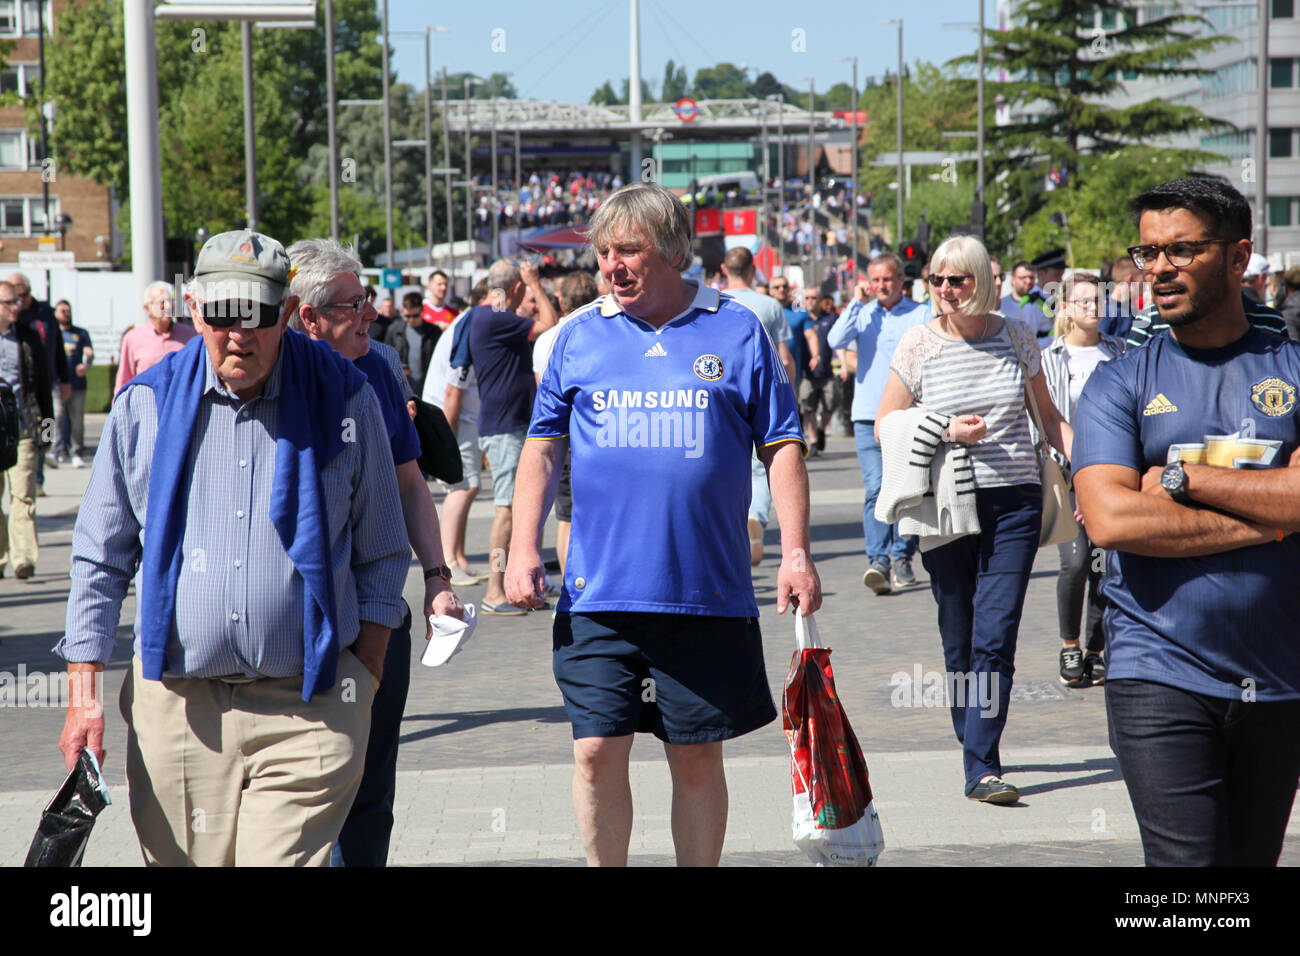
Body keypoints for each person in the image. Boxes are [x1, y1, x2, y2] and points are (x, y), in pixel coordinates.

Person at [56, 230, 411, 866]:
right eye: (223, 314)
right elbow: (99, 558)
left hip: (309, 706)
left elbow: (382, 548)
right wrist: (84, 696)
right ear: (196, 309)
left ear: (286, 314)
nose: (239, 333)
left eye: (258, 315)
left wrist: (366, 671)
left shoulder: (345, 398)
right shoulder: (145, 406)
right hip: (179, 706)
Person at [505, 182, 820, 866]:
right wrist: (522, 549)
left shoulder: (736, 330)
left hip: (703, 592)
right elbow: (540, 451)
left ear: (675, 252)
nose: (612, 265)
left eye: (629, 250)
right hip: (599, 594)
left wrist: (796, 552)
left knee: (698, 760)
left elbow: (783, 447)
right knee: (593, 753)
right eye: (604, 251)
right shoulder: (578, 337)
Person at [1073, 178, 1300, 866]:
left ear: (1238, 258)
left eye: (1182, 250)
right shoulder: (1120, 382)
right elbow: (1110, 519)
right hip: (1157, 669)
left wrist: (1182, 479)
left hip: (1280, 672)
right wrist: (1274, 512)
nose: (1159, 268)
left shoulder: (1292, 370)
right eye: (1147, 253)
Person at [876, 236, 1073, 804]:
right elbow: (886, 420)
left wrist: (1094, 471)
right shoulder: (918, 344)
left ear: (981, 282)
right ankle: (973, 737)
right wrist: (944, 430)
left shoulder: (1016, 336)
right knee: (958, 633)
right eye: (937, 281)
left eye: (956, 280)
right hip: (945, 503)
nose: (945, 291)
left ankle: (982, 763)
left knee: (996, 632)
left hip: (1015, 499)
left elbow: (1051, 420)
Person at [287, 237, 463, 867]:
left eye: (369, 300)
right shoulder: (265, 376)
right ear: (308, 317)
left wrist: (438, 576)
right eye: (355, 302)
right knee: (300, 790)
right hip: (288, 623)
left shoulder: (380, 369)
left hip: (377, 612)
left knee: (368, 785)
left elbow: (411, 480)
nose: (370, 312)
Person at [448, 259, 557, 614]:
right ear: (515, 288)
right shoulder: (495, 316)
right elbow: (549, 324)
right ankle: (495, 590)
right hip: (505, 426)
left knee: (515, 509)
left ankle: (514, 584)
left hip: (507, 423)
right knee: (507, 512)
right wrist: (536, 284)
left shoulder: (487, 316)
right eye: (523, 286)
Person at [1040, 272, 1123, 686]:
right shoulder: (1050, 358)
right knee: (1075, 562)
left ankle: (1096, 649)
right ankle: (1069, 645)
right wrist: (1074, 476)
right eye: (1084, 301)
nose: (1093, 308)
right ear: (1066, 307)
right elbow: (1044, 422)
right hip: (1067, 477)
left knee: (1105, 566)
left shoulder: (1121, 353)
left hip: (1113, 477)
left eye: (1099, 300)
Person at [829, 253, 927, 594]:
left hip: (908, 412)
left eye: (887, 279)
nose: (881, 286)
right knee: (875, 488)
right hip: (867, 414)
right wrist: (856, 304)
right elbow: (834, 340)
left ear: (901, 280)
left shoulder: (920, 313)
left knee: (907, 488)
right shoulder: (863, 314)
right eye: (875, 280)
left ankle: (902, 556)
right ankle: (879, 561)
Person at [721, 248, 797, 565]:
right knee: (761, 464)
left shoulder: (716, 303)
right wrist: (789, 397)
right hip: (764, 392)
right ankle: (755, 517)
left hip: (725, 394)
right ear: (754, 271)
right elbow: (784, 358)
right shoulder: (768, 305)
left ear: (725, 269)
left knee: (729, 464)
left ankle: (733, 525)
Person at [532, 271, 601, 578]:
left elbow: (543, 398)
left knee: (566, 517)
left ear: (560, 300)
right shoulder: (602, 333)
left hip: (561, 438)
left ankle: (570, 592)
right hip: (596, 437)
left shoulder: (546, 339)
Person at [427, 279, 489, 587]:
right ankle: (449, 562)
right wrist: (446, 441)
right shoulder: (472, 323)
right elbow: (453, 391)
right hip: (453, 417)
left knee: (469, 486)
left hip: (461, 417)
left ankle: (459, 558)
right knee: (460, 487)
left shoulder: (471, 320)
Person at [0, 280, 54, 579]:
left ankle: (23, 559)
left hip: (23, 429)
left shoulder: (29, 338)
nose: (15, 307)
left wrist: (47, 432)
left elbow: (43, 388)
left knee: (23, 495)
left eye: (16, 302)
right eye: (8, 303)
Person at [114, 280, 199, 393]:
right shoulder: (132, 338)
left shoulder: (191, 335)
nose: (168, 307)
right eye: (162, 303)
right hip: (145, 405)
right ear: (147, 309)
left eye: (170, 301)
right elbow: (123, 380)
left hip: (181, 404)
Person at [51, 300, 94, 468]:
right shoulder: (52, 334)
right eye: (62, 311)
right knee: (54, 416)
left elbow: (89, 353)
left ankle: (76, 451)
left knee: (76, 420)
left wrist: (86, 363)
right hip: (55, 384)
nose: (66, 314)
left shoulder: (80, 333)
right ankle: (52, 450)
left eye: (68, 310)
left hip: (76, 384)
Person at [384, 290, 440, 398]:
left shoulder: (434, 332)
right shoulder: (394, 330)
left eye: (415, 315)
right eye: (407, 316)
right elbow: (386, 358)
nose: (411, 320)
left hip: (427, 389)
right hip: (401, 389)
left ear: (422, 310)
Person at [1000, 260, 1052, 347]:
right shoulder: (1002, 304)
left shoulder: (1042, 304)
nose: (1028, 281)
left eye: (1031, 278)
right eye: (1023, 277)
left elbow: (1050, 331)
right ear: (1013, 280)